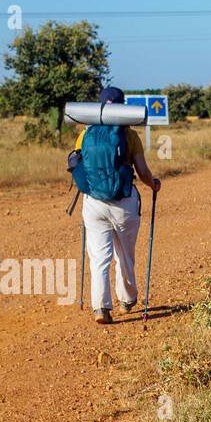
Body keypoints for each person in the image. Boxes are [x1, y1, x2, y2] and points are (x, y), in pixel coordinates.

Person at [74, 86, 161, 324]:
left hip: (93, 202)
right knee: (125, 254)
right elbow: (142, 171)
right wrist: (153, 185)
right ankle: (126, 300)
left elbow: (76, 164)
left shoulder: (86, 134)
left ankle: (100, 308)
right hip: (124, 203)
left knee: (99, 257)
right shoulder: (130, 136)